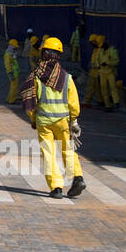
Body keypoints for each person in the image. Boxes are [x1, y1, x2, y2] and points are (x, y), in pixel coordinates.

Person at [21, 36, 85, 199]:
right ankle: (77, 177)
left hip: (43, 122)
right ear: (58, 55)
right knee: (67, 150)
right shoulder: (66, 77)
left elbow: (30, 101)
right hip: (63, 121)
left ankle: (56, 188)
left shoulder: (36, 76)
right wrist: (74, 120)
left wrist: (33, 119)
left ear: (43, 53)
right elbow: (73, 103)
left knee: (49, 155)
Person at [95, 35, 121, 111]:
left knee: (113, 87)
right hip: (102, 72)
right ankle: (107, 105)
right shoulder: (100, 50)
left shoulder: (112, 50)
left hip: (110, 72)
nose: (102, 46)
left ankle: (116, 103)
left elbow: (116, 61)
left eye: (102, 45)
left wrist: (108, 63)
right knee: (104, 89)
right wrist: (98, 65)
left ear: (105, 42)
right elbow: (97, 60)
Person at [83, 34, 103, 107]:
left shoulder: (100, 50)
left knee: (99, 88)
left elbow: (101, 62)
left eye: (93, 42)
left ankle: (100, 101)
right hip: (93, 72)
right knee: (91, 87)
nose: (92, 44)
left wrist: (93, 65)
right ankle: (87, 101)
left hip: (98, 72)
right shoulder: (95, 50)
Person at [4, 39, 21, 104]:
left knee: (13, 87)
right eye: (14, 47)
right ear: (11, 46)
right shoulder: (8, 55)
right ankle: (12, 100)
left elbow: (14, 63)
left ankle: (9, 99)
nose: (15, 48)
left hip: (15, 73)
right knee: (14, 87)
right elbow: (7, 65)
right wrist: (10, 73)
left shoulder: (11, 54)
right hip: (12, 73)